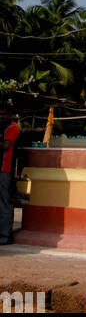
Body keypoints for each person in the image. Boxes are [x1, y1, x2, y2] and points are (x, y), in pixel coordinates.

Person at [0, 102, 21, 244]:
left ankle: (5, 236)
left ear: (9, 115)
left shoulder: (13, 128)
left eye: (3, 114)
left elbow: (6, 146)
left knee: (5, 203)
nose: (1, 117)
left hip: (5, 170)